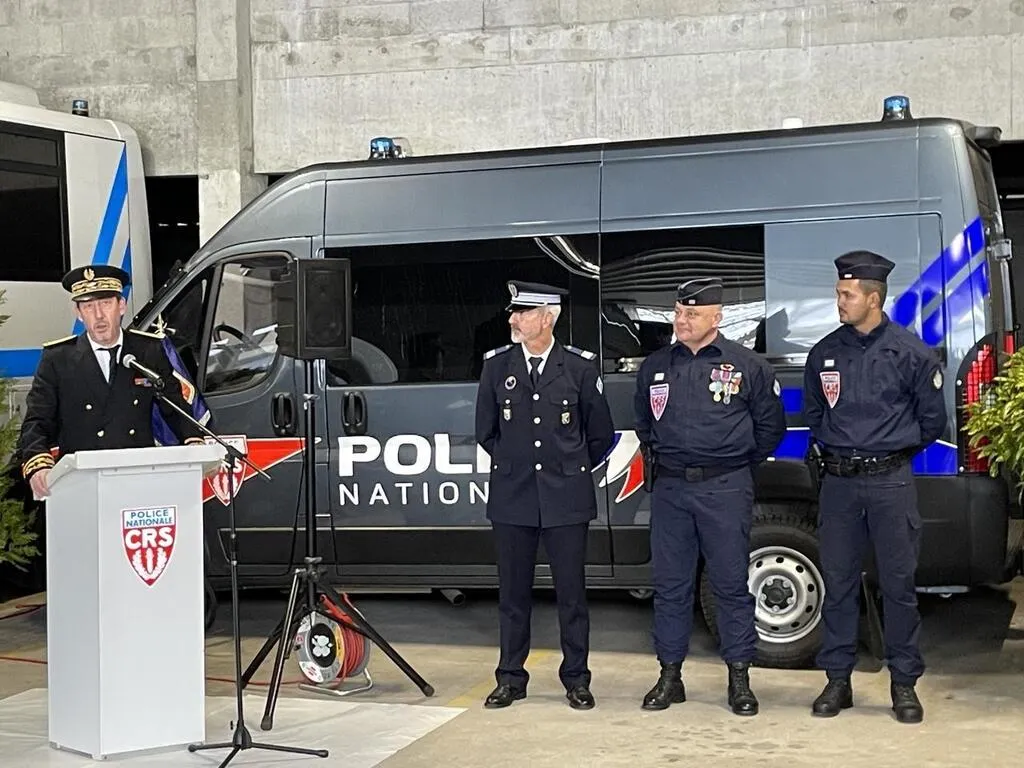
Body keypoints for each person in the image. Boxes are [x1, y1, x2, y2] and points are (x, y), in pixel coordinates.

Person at [803, 251, 946, 724]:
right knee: (838, 584)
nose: (839, 301)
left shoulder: (911, 353)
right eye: (838, 293)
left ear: (873, 298)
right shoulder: (824, 353)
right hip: (839, 485)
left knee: (898, 586)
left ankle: (903, 683)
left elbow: (931, 422)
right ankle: (837, 680)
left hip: (889, 482)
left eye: (847, 295)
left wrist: (889, 451)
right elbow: (815, 415)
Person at [634, 277, 786, 717]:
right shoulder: (656, 366)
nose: (682, 320)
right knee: (671, 586)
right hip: (671, 489)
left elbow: (770, 429)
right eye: (679, 312)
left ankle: (739, 677)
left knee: (730, 585)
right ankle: (670, 675)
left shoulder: (747, 366)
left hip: (725, 487)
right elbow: (644, 424)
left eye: (692, 313)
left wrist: (732, 463)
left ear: (716, 317)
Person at [475, 280, 615, 710]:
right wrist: (518, 464)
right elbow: (486, 432)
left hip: (566, 498)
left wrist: (567, 468)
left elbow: (600, 434)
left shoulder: (579, 368)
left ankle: (577, 679)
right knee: (512, 596)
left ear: (548, 318)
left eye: (523, 312)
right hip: (513, 497)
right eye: (514, 312)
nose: (514, 320)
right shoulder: (497, 366)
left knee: (571, 596)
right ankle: (511, 678)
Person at [17, 264, 207, 498]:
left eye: (106, 303)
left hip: (136, 476)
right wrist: (38, 464)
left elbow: (175, 406)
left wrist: (193, 441)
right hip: (81, 482)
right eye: (88, 306)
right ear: (78, 313)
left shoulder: (147, 351)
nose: (98, 315)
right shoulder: (58, 359)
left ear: (121, 306)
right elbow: (37, 420)